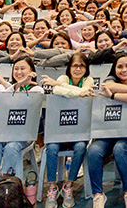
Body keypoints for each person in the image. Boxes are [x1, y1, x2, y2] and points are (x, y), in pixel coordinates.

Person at [0, 58, 41, 208]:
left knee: (12, 147)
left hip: (23, 135)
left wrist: (19, 85)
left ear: (31, 72)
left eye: (23, 69)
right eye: (16, 69)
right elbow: (2, 98)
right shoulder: (6, 89)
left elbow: (25, 101)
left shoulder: (37, 90)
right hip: (4, 133)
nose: (18, 72)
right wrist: (17, 85)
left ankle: (6, 185)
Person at [86, 53, 127, 208]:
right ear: (114, 69)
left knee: (120, 148)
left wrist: (113, 96)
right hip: (109, 131)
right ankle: (98, 195)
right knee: (93, 150)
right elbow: (109, 86)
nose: (124, 70)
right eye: (119, 66)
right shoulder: (110, 80)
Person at [39, 54, 95, 208]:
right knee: (51, 148)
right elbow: (57, 91)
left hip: (79, 131)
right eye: (75, 65)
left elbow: (86, 90)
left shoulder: (88, 80)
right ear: (69, 67)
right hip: (59, 130)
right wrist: (77, 92)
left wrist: (61, 86)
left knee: (80, 147)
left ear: (86, 68)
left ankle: (68, 185)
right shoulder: (63, 78)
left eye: (81, 66)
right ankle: (52, 186)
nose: (78, 69)